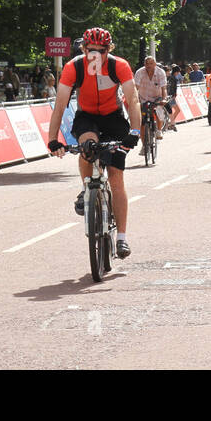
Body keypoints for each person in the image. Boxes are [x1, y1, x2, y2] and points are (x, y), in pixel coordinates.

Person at [47, 27, 142, 258]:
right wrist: (52, 140)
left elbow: (133, 98)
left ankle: (121, 238)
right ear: (83, 48)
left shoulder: (119, 65)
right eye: (91, 50)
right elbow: (60, 105)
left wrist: (135, 131)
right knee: (87, 147)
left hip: (113, 117)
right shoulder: (74, 67)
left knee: (116, 177)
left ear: (109, 49)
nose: (96, 55)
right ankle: (86, 188)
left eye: (102, 51)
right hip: (87, 116)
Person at [133, 55, 170, 151]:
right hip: (143, 98)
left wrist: (164, 99)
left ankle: (158, 130)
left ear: (155, 64)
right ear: (144, 64)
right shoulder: (139, 72)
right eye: (147, 63)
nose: (149, 65)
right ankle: (144, 146)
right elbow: (135, 88)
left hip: (157, 97)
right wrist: (133, 99)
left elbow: (164, 88)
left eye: (151, 63)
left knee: (159, 110)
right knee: (142, 123)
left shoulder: (160, 72)